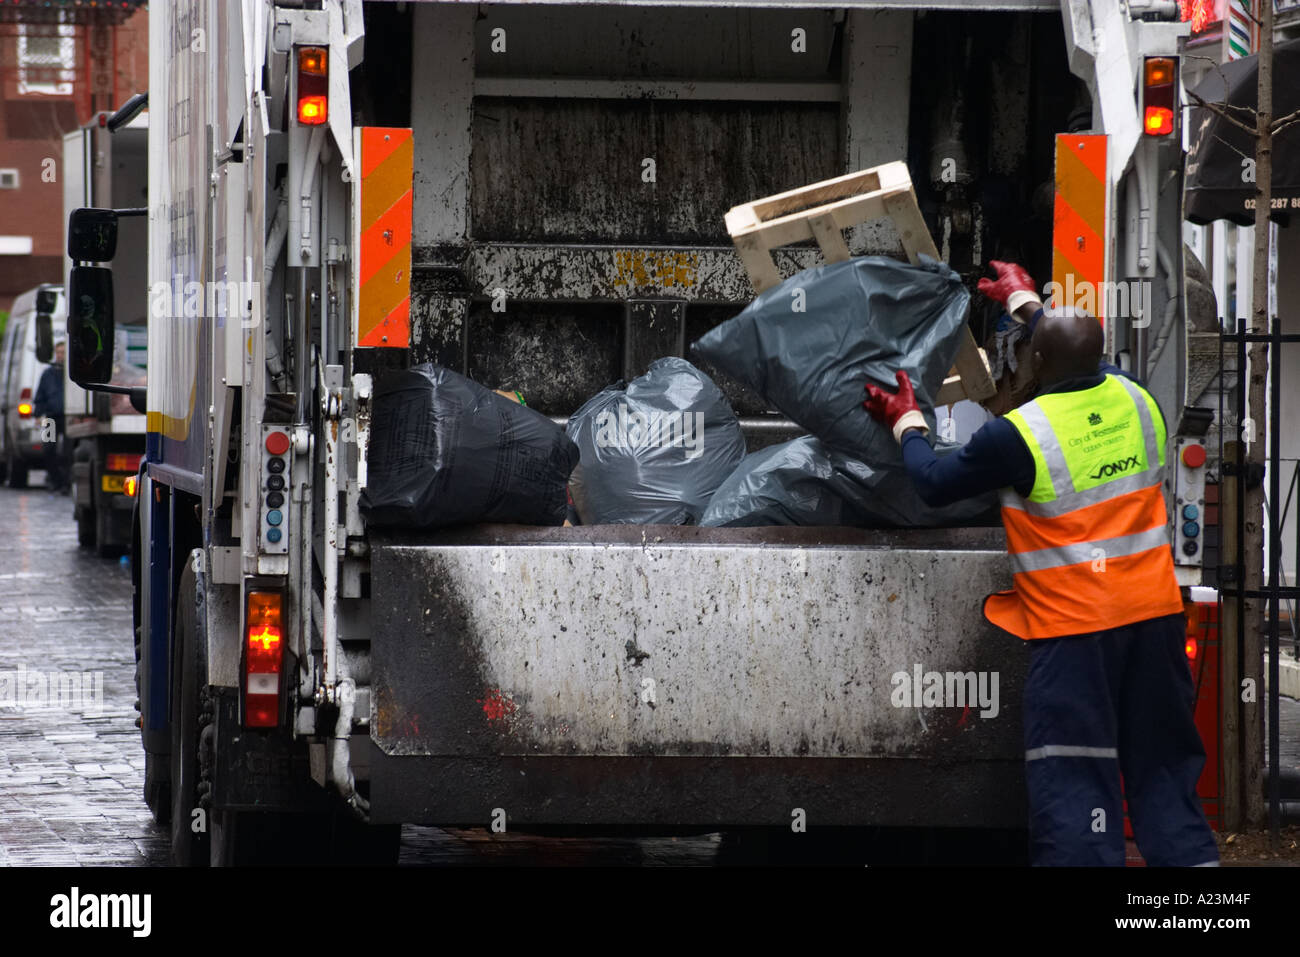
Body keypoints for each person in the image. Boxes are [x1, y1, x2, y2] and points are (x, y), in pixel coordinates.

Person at [863, 260, 1219, 867]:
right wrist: (1024, 302)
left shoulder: (1019, 435)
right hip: (1155, 624)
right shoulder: (1139, 402)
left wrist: (908, 420)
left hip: (1078, 638)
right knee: (1163, 774)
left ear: (1036, 364)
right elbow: (1086, 356)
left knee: (1077, 785)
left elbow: (931, 482)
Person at [33, 340, 68, 493]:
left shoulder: (71, 374)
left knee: (68, 452)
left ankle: (66, 482)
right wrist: (37, 415)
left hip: (68, 418)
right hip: (50, 418)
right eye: (59, 353)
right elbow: (40, 395)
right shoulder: (48, 373)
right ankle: (55, 480)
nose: (61, 356)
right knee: (48, 449)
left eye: (63, 353)